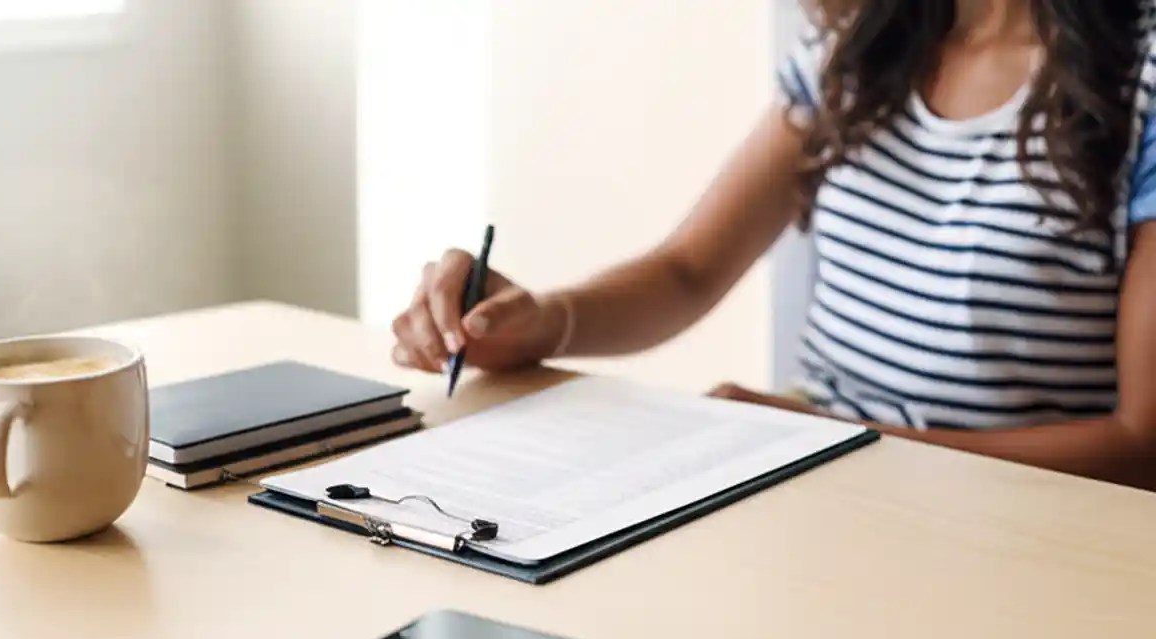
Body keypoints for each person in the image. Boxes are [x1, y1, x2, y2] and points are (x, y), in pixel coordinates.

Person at [391, 0, 1156, 489]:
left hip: (1025, 526)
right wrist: (542, 321)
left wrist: (845, 441)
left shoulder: (1141, 76)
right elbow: (687, 272)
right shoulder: (857, 51)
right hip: (826, 481)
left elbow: (1141, 446)